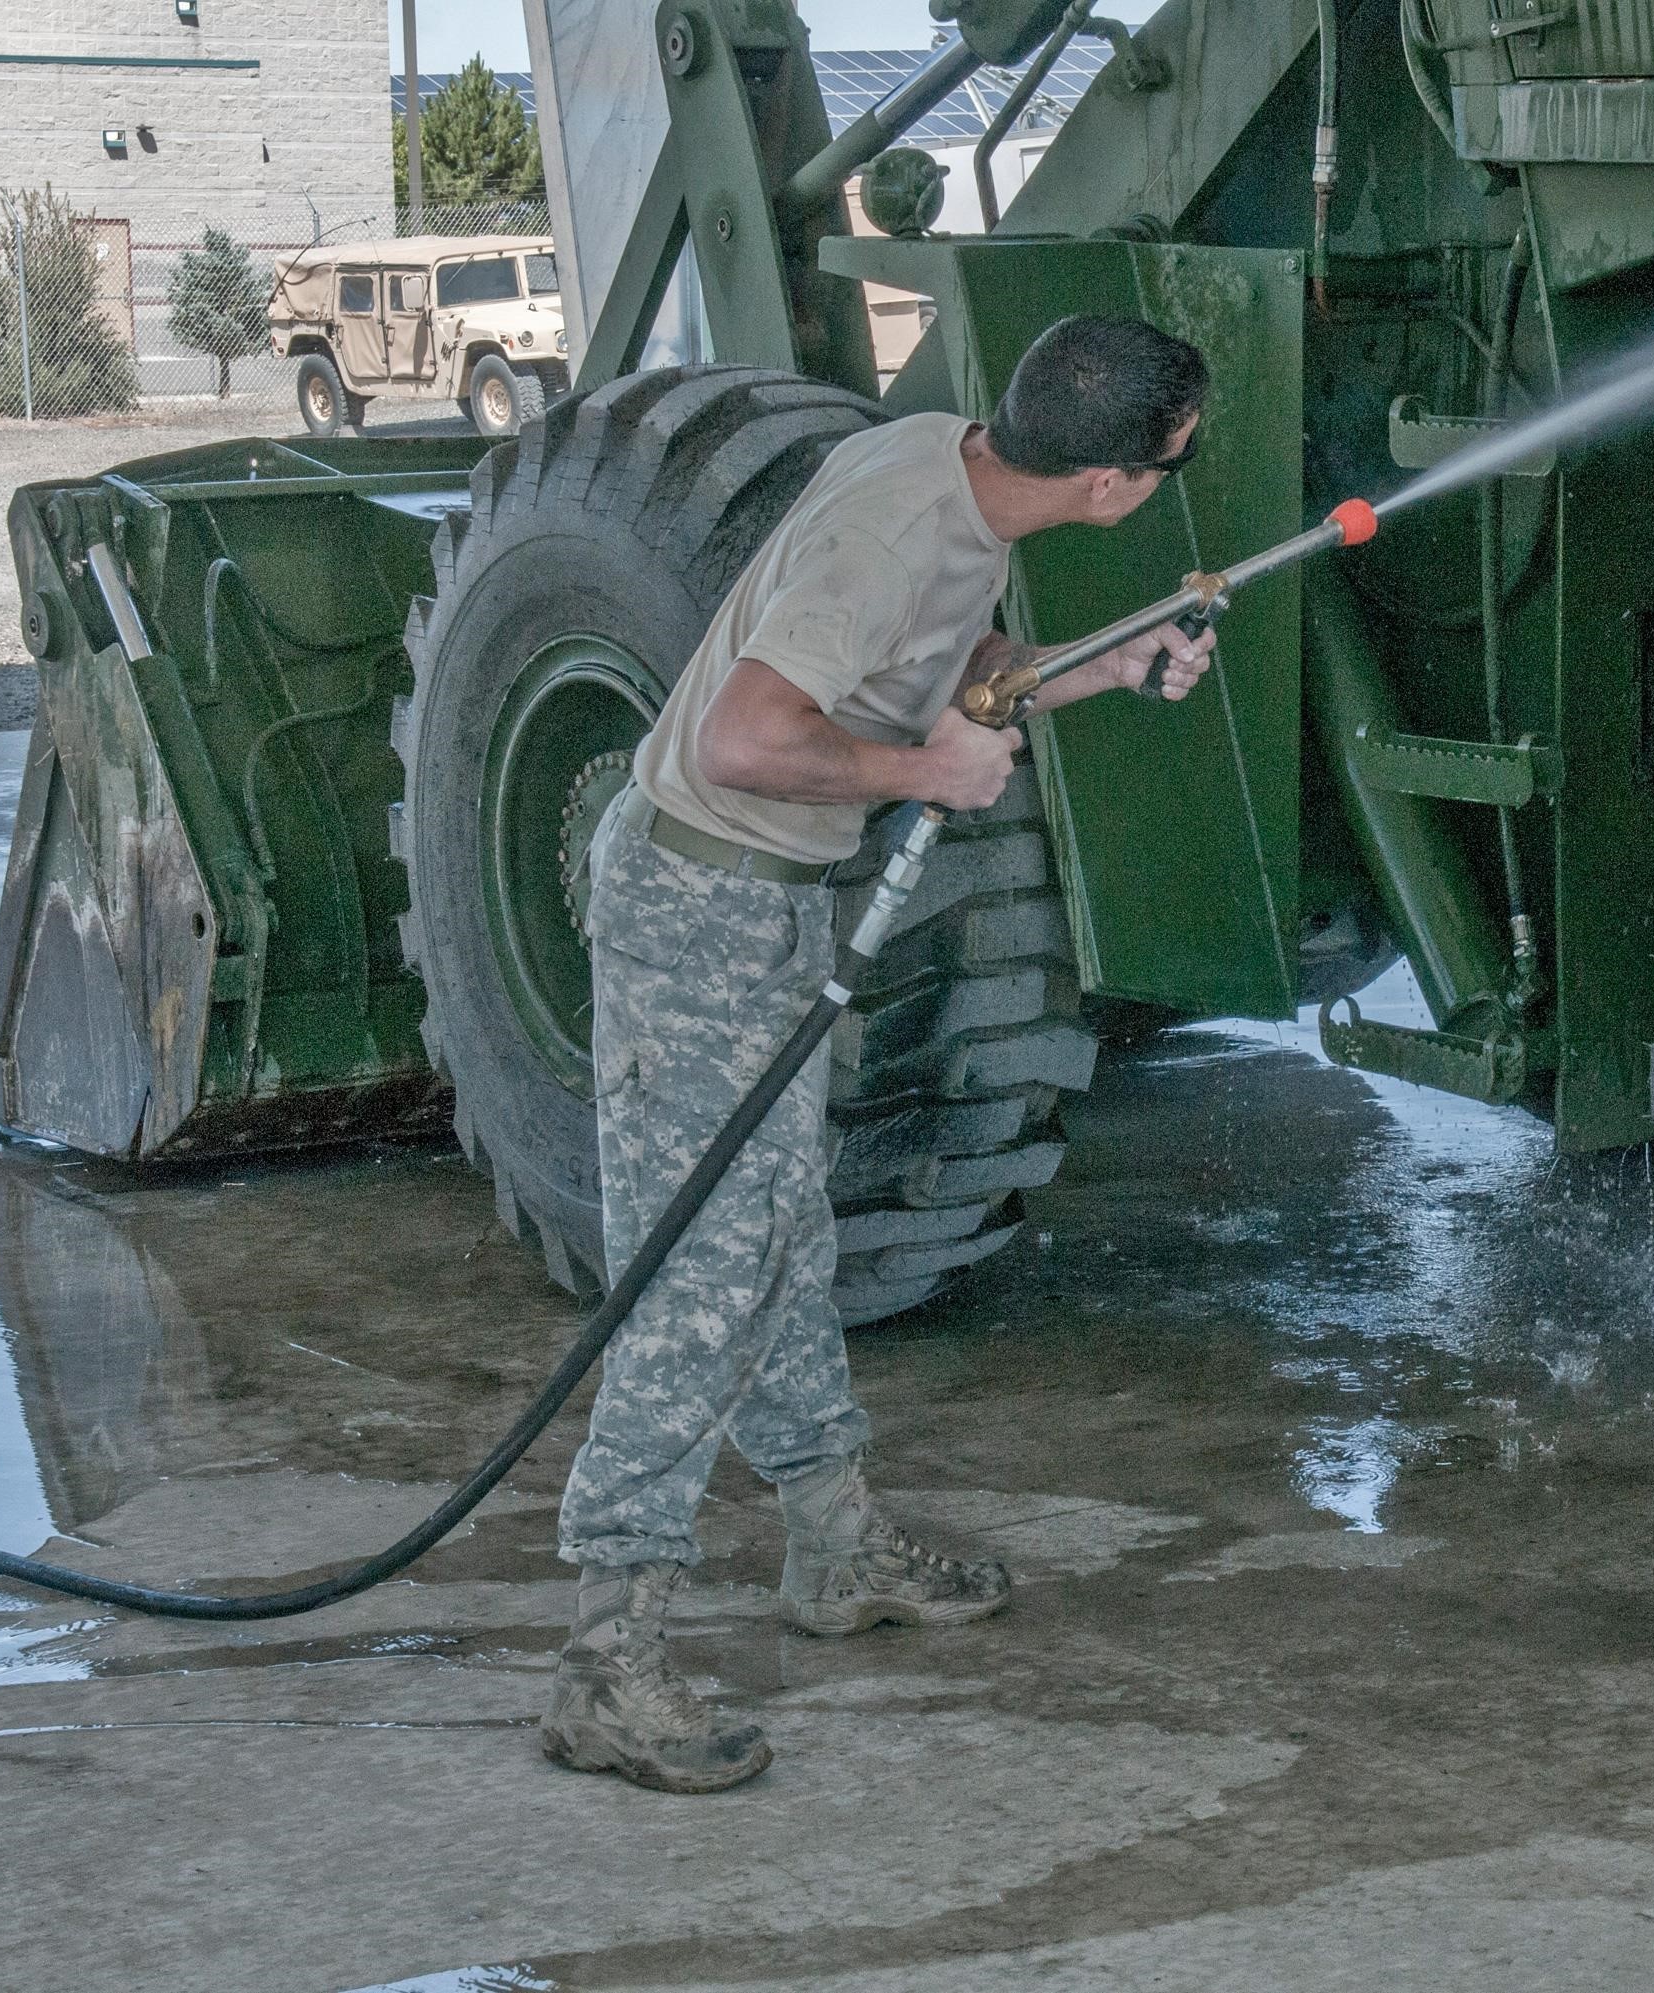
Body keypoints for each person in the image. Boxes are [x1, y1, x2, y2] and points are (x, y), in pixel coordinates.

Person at [539, 316, 1218, 1793]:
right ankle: (604, 1659)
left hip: (768, 902)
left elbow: (945, 665)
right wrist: (927, 775)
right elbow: (738, 739)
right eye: (1175, 461)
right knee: (697, 1279)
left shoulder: (952, 472)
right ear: (1111, 483)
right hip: (699, 904)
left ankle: (833, 1545)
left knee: (783, 1232)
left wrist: (1104, 665)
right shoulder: (890, 535)